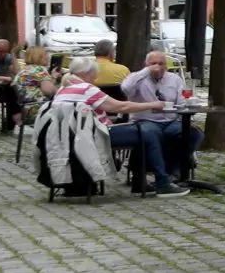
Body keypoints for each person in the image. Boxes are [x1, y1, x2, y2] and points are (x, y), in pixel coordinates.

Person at [53, 56, 185, 195]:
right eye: (94, 75)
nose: (96, 78)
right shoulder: (86, 89)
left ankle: (140, 182)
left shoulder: (62, 89)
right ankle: (161, 183)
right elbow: (121, 106)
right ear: (85, 74)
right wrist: (153, 105)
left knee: (144, 132)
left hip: (71, 136)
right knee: (147, 133)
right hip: (96, 135)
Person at [123, 49, 204, 186]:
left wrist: (188, 108)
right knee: (151, 134)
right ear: (146, 64)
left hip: (170, 121)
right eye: (154, 63)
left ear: (166, 66)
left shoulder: (174, 79)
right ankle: (158, 177)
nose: (158, 67)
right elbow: (126, 88)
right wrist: (147, 71)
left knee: (194, 134)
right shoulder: (137, 78)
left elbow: (181, 103)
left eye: (161, 63)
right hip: (145, 120)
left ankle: (172, 170)